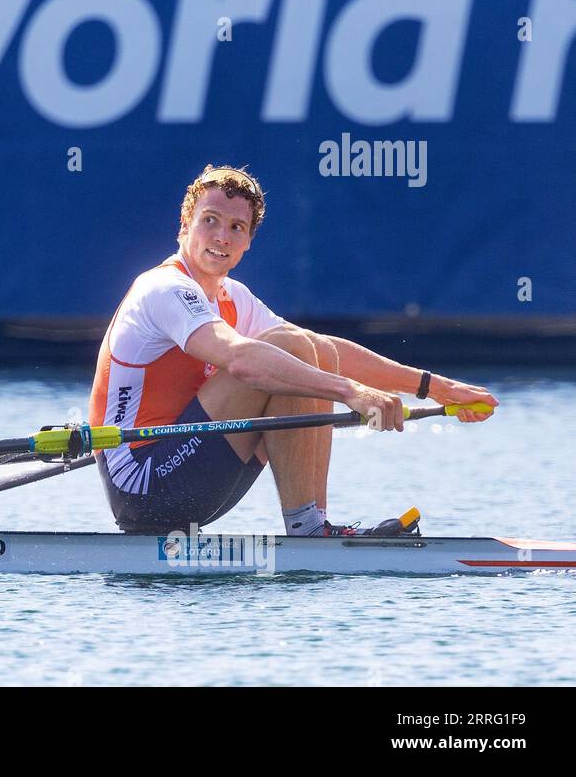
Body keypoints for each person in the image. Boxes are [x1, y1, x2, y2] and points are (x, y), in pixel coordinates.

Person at [87, 165, 497, 536]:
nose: (221, 237)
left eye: (236, 228)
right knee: (288, 351)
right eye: (209, 221)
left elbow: (322, 349)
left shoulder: (233, 297)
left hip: (186, 468)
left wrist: (434, 386)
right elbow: (241, 360)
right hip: (141, 485)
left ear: (248, 241)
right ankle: (307, 528)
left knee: (314, 350)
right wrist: (349, 392)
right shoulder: (164, 289)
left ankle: (312, 523)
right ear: (184, 225)